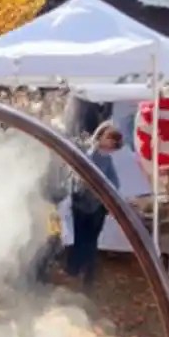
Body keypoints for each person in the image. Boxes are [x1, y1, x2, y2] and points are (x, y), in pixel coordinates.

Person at [65, 121, 122, 287]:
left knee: (91, 240)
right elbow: (81, 180)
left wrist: (106, 195)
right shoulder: (89, 156)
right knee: (81, 238)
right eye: (109, 137)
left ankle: (87, 274)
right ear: (100, 136)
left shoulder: (107, 160)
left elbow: (114, 183)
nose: (112, 141)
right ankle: (75, 270)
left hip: (97, 206)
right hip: (83, 204)